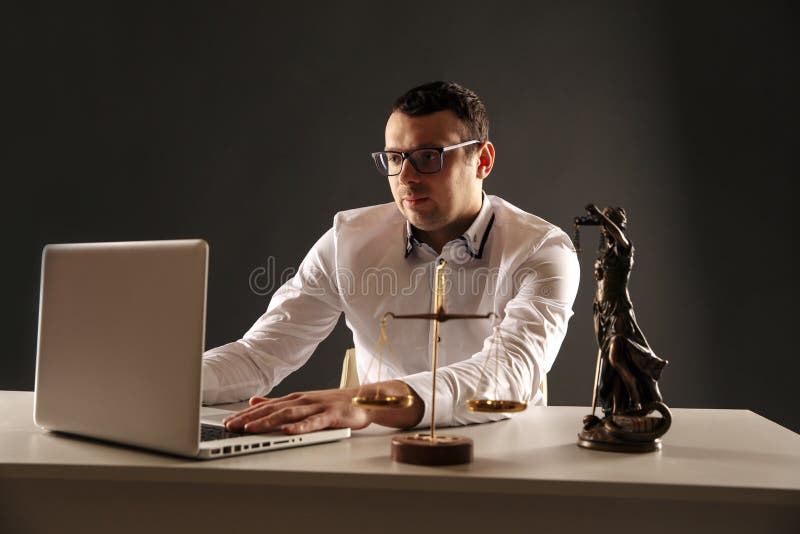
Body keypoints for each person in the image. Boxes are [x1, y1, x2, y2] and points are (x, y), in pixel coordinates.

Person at [205, 81, 580, 435]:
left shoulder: (542, 250)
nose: (406, 177)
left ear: (482, 160)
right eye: (395, 158)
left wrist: (371, 401)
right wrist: (175, 382)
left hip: (507, 455)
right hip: (380, 458)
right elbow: (258, 356)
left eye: (429, 157)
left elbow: (509, 375)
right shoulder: (346, 241)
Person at [586, 204, 667, 418]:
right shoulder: (607, 254)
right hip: (604, 314)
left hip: (619, 313)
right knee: (611, 367)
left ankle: (636, 396)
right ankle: (618, 408)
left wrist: (600, 215)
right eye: (603, 226)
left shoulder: (624, 250)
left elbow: (618, 235)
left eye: (607, 225)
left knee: (616, 357)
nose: (604, 229)